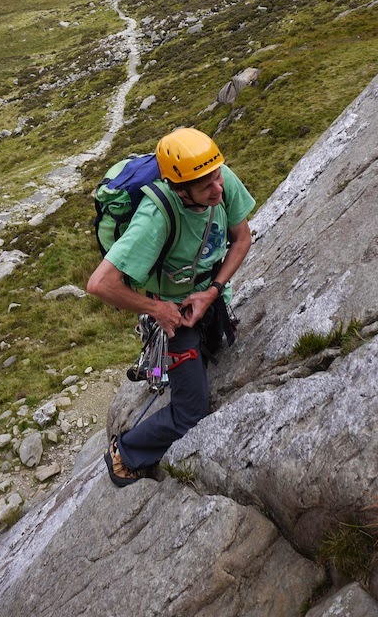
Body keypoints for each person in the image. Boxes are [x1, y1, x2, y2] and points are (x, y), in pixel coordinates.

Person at [87, 127, 255, 487]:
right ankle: (125, 452)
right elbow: (100, 283)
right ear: (180, 190)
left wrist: (212, 291)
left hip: (209, 299)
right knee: (191, 413)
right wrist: (159, 311)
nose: (219, 188)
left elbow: (242, 238)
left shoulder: (218, 177)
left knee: (215, 347)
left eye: (218, 176)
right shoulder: (158, 214)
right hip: (174, 316)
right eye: (206, 186)